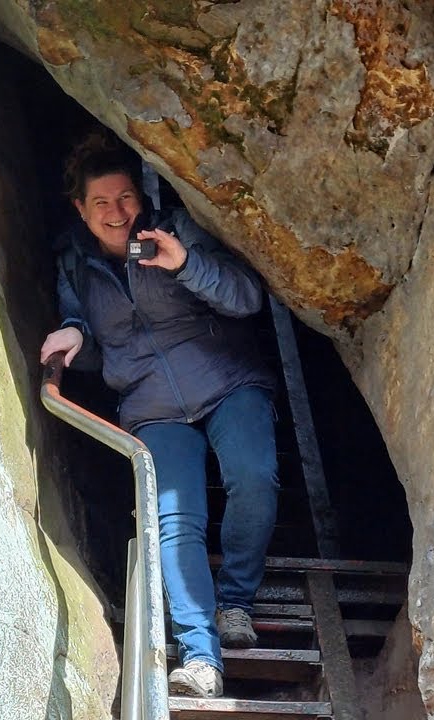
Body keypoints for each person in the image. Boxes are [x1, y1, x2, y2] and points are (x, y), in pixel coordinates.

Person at [39, 135, 279, 699]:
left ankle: (237, 600)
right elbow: (92, 340)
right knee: (174, 519)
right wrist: (75, 334)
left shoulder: (174, 229)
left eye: (125, 197)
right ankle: (200, 654)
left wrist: (187, 263)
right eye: (101, 203)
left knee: (254, 478)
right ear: (80, 208)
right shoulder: (73, 262)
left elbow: (247, 297)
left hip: (228, 381)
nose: (118, 213)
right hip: (151, 405)